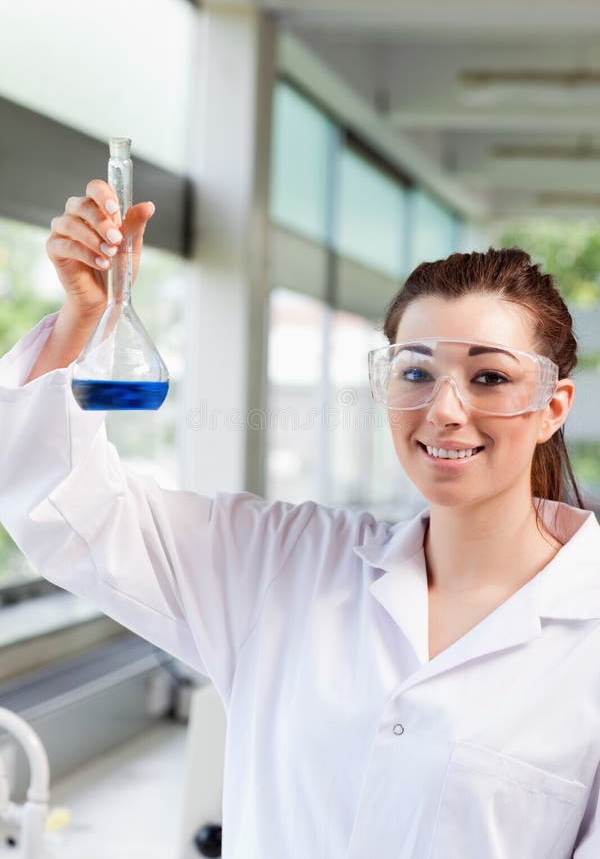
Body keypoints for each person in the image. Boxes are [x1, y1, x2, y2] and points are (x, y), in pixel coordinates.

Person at [0, 179, 599, 859]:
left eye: (490, 377)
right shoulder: (283, 566)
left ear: (553, 406)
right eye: (415, 372)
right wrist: (83, 317)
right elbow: (65, 504)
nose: (445, 411)